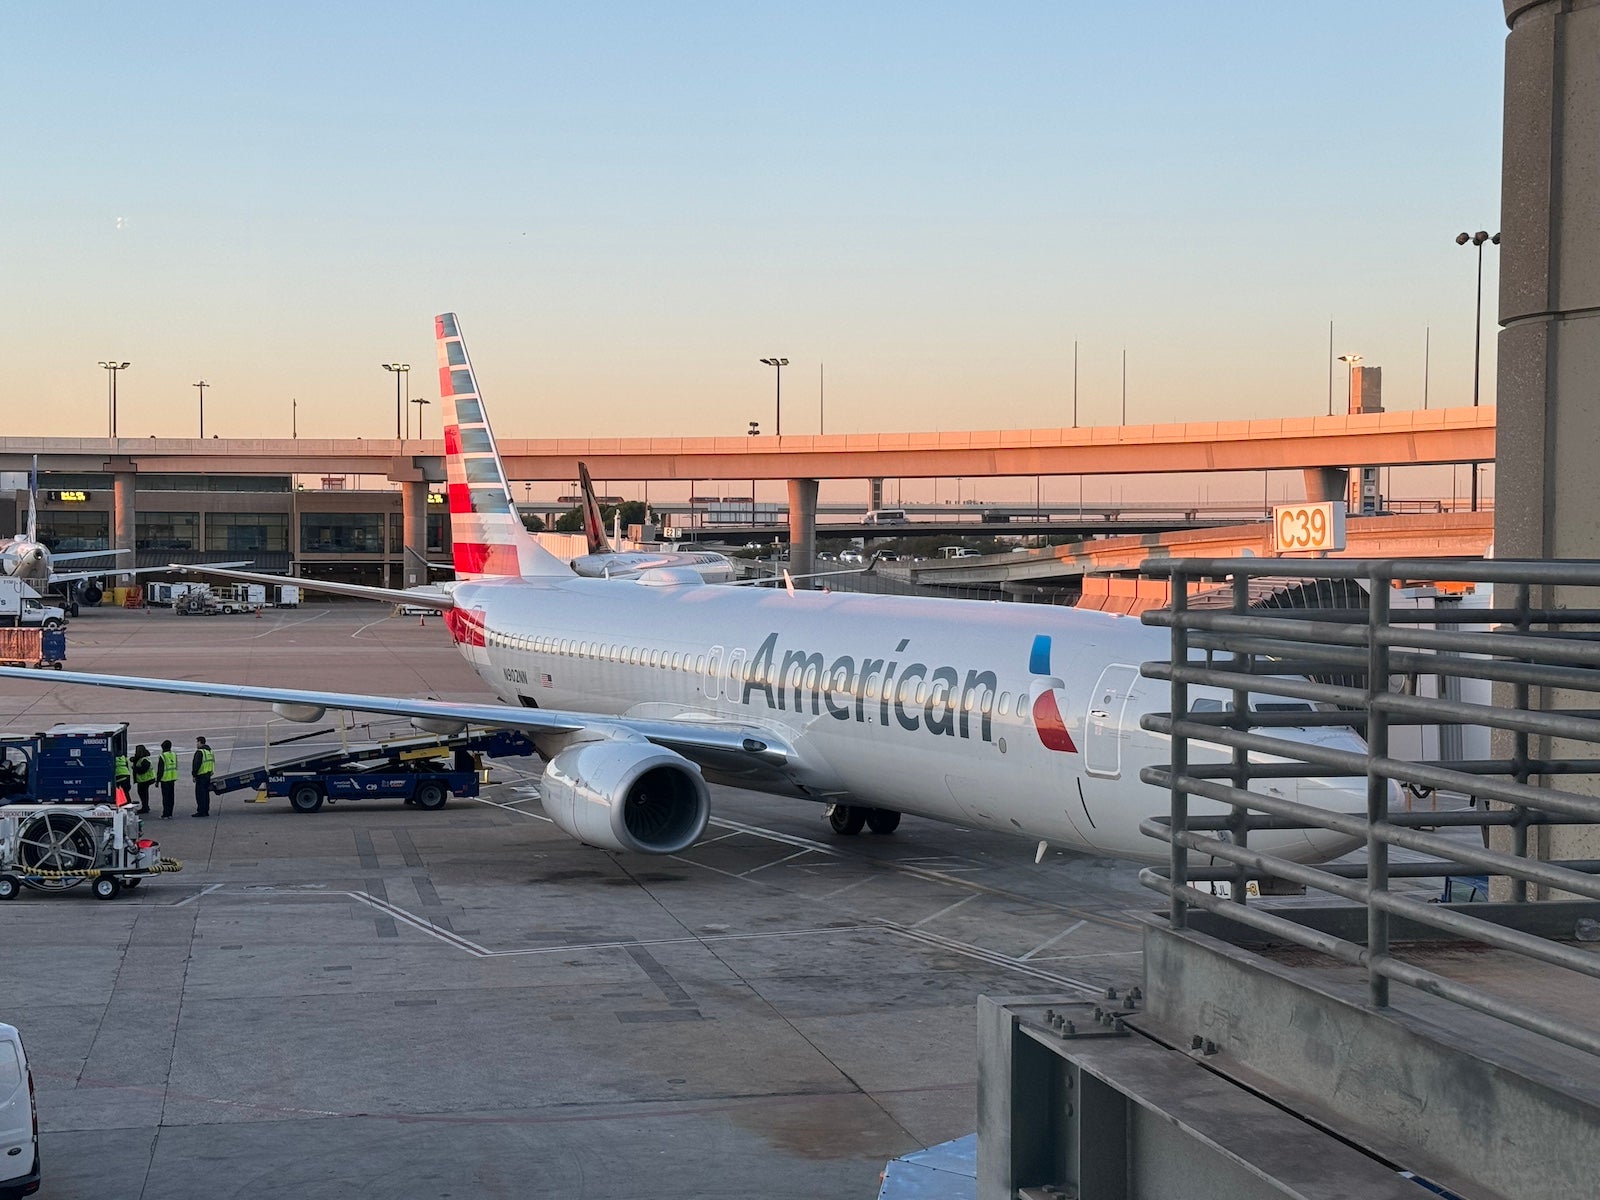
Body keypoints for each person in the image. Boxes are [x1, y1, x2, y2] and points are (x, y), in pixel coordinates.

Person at [191, 736, 215, 818]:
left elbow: (196, 764)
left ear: (200, 742)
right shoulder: (210, 751)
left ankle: (201, 811)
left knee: (200, 794)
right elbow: (213, 762)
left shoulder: (200, 752)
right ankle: (206, 810)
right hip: (208, 775)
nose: (196, 744)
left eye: (197, 742)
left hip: (201, 775)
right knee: (206, 794)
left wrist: (194, 775)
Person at [157, 740, 179, 819]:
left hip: (165, 779)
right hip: (172, 778)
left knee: (165, 798)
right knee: (171, 797)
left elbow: (160, 770)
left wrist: (157, 781)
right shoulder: (174, 754)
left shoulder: (163, 756)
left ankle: (165, 814)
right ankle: (170, 813)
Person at [131, 744, 155, 814]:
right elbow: (134, 759)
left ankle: (145, 807)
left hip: (145, 780)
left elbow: (143, 770)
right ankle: (145, 806)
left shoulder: (144, 760)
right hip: (144, 780)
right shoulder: (142, 758)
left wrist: (135, 768)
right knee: (143, 793)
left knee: (143, 794)